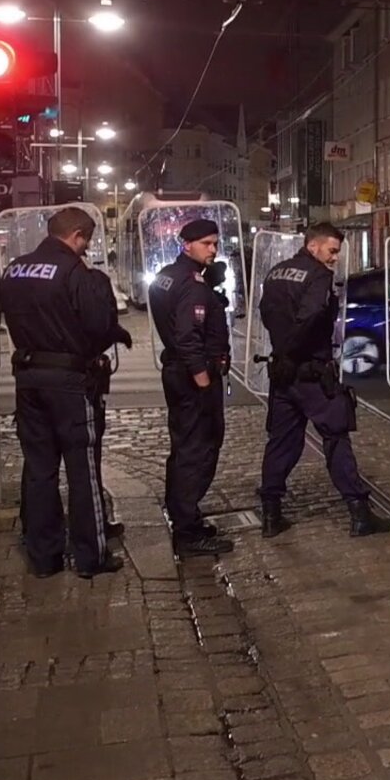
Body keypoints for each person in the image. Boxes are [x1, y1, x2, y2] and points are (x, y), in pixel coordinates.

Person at [0, 207, 133, 578]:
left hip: (28, 378)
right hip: (71, 383)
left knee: (39, 469)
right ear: (77, 236)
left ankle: (44, 557)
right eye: (85, 240)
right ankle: (91, 556)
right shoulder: (78, 273)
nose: (86, 247)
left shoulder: (14, 270)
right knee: (82, 470)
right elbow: (99, 326)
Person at [257, 223, 390, 538]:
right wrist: (292, 350)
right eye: (332, 251)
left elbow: (265, 312)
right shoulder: (318, 276)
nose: (334, 258)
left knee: (281, 443)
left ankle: (271, 514)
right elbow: (314, 315)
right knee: (336, 438)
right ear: (313, 246)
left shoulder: (278, 272)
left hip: (283, 373)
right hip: (311, 372)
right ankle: (359, 513)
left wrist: (282, 351)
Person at [149, 219, 235, 558]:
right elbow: (187, 336)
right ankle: (187, 531)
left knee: (184, 447)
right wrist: (203, 378)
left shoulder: (167, 275)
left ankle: (184, 515)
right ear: (187, 245)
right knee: (198, 450)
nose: (213, 249)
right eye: (207, 244)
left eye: (215, 243)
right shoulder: (192, 284)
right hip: (193, 377)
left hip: (176, 372)